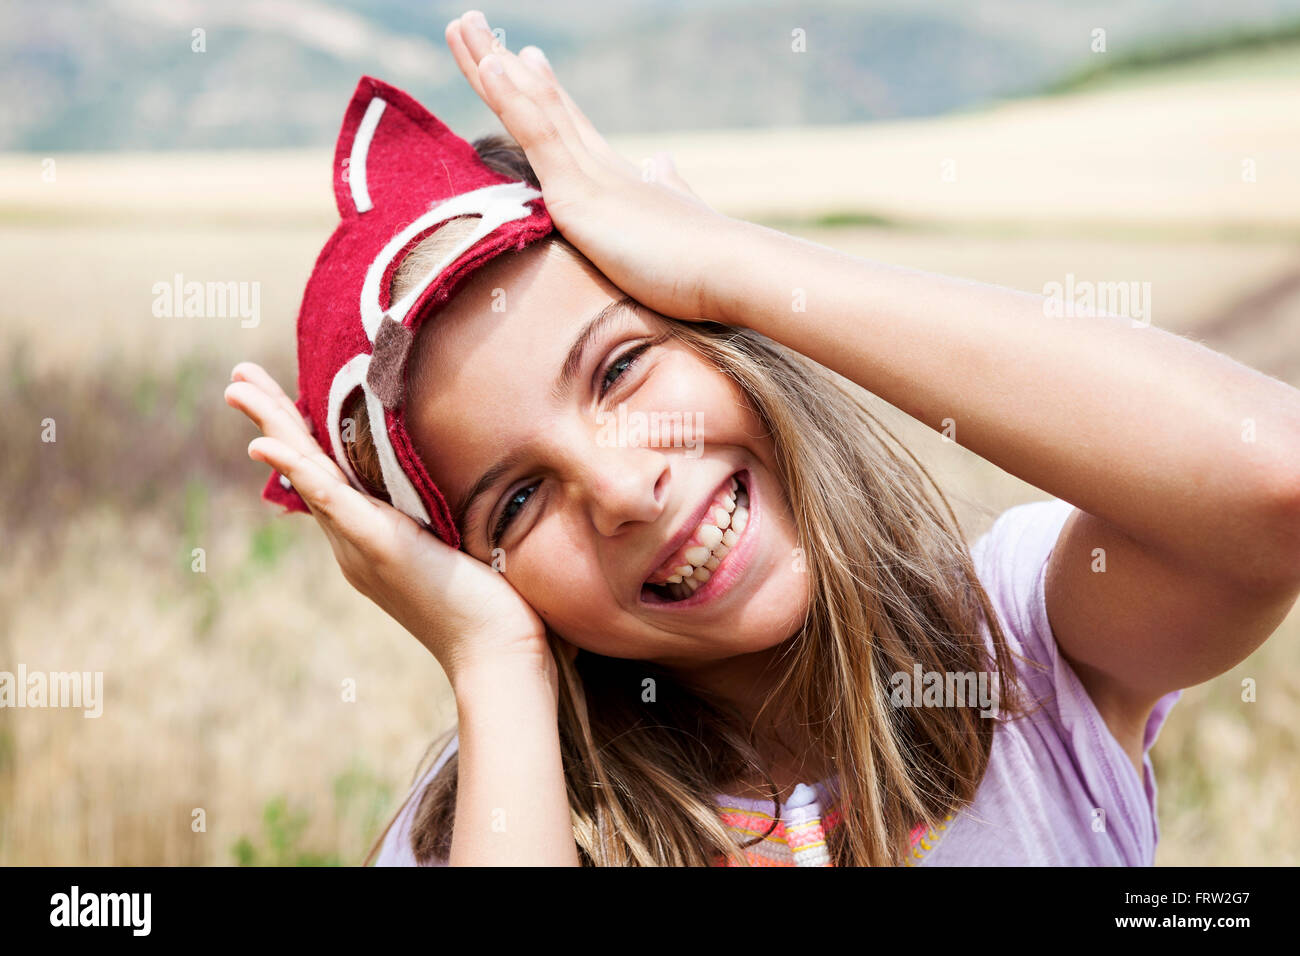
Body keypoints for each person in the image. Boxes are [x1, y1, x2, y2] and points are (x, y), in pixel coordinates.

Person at [224, 10, 1300, 866]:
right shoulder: (496, 820)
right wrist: (497, 664)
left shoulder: (1026, 651)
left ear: (720, 333)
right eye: (514, 500)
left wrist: (732, 263)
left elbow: (1274, 482)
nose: (621, 486)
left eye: (621, 365)